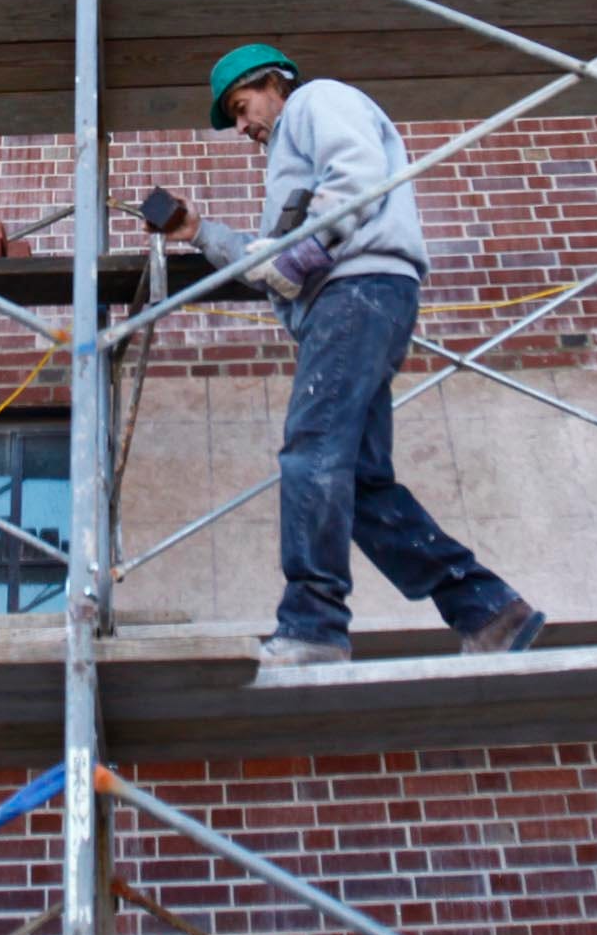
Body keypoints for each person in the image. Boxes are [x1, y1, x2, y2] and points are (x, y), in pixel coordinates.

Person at [156, 42, 543, 667]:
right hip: (354, 303)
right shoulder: (289, 160)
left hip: (356, 295)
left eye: (241, 104)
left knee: (312, 452)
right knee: (358, 483)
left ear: (273, 83)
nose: (241, 124)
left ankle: (313, 625)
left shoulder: (317, 100)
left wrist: (299, 257)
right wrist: (198, 232)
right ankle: (487, 609)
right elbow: (272, 264)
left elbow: (358, 179)